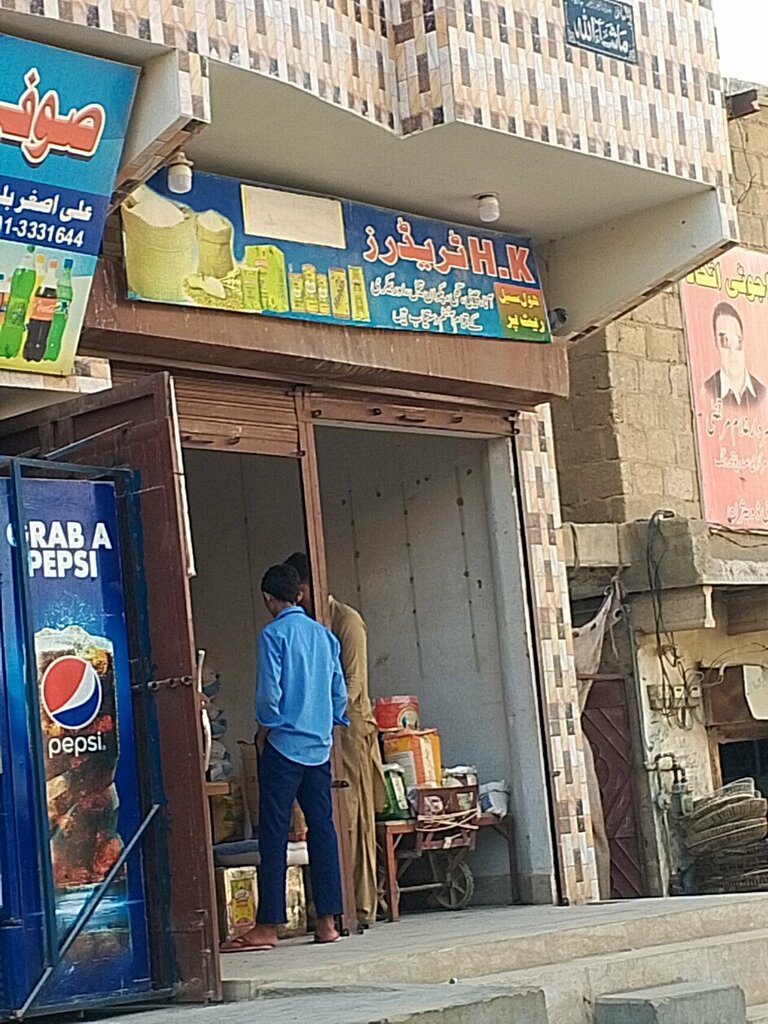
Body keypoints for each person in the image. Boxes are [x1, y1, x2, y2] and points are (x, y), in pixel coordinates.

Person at [223, 563, 348, 952]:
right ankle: (328, 921)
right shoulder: (325, 636)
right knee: (322, 829)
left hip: (284, 747)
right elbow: (339, 693)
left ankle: (268, 926)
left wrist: (265, 729)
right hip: (319, 748)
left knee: (274, 833)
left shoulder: (273, 635)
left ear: (268, 599)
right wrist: (327, 723)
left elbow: (269, 695)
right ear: (298, 594)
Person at [285, 552, 387, 929]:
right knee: (320, 817)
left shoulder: (346, 621)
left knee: (353, 818)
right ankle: (329, 902)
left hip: (346, 729)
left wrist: (320, 713)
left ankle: (360, 906)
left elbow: (353, 683)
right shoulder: (303, 626)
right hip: (314, 731)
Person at [702, 301, 766, 410]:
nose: (732, 351)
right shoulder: (706, 391)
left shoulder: (762, 392)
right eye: (725, 341)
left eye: (737, 341)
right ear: (716, 344)